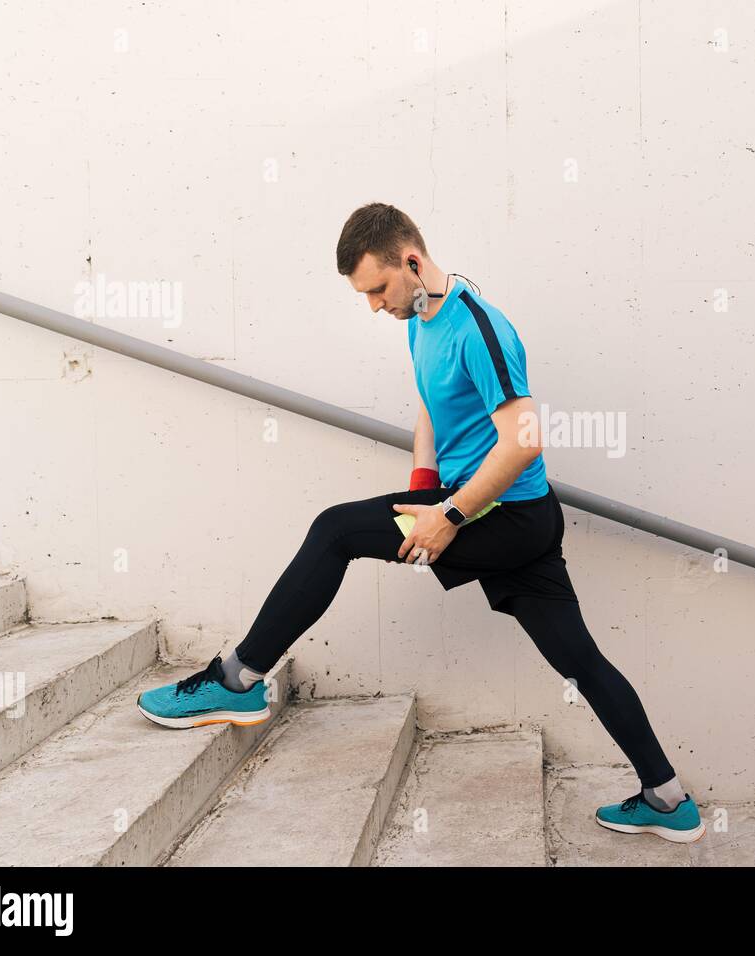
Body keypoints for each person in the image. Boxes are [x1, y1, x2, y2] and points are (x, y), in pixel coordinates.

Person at [136, 203, 704, 844]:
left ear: (412, 261)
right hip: (504, 516)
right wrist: (422, 494)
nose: (375, 305)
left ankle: (236, 681)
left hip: (507, 516)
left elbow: (522, 443)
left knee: (336, 530)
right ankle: (667, 799)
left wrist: (449, 517)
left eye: (378, 289)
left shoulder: (480, 328)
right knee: (580, 661)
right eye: (364, 295)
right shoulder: (421, 319)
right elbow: (433, 411)